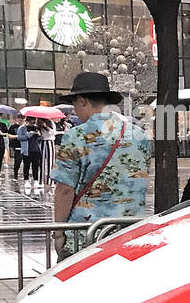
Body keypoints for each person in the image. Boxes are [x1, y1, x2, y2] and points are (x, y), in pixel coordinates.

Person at [51, 72, 152, 259]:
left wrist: (58, 233)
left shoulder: (75, 136)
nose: (74, 110)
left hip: (86, 238)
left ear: (82, 101)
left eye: (74, 104)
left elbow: (65, 190)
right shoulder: (139, 135)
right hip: (129, 235)